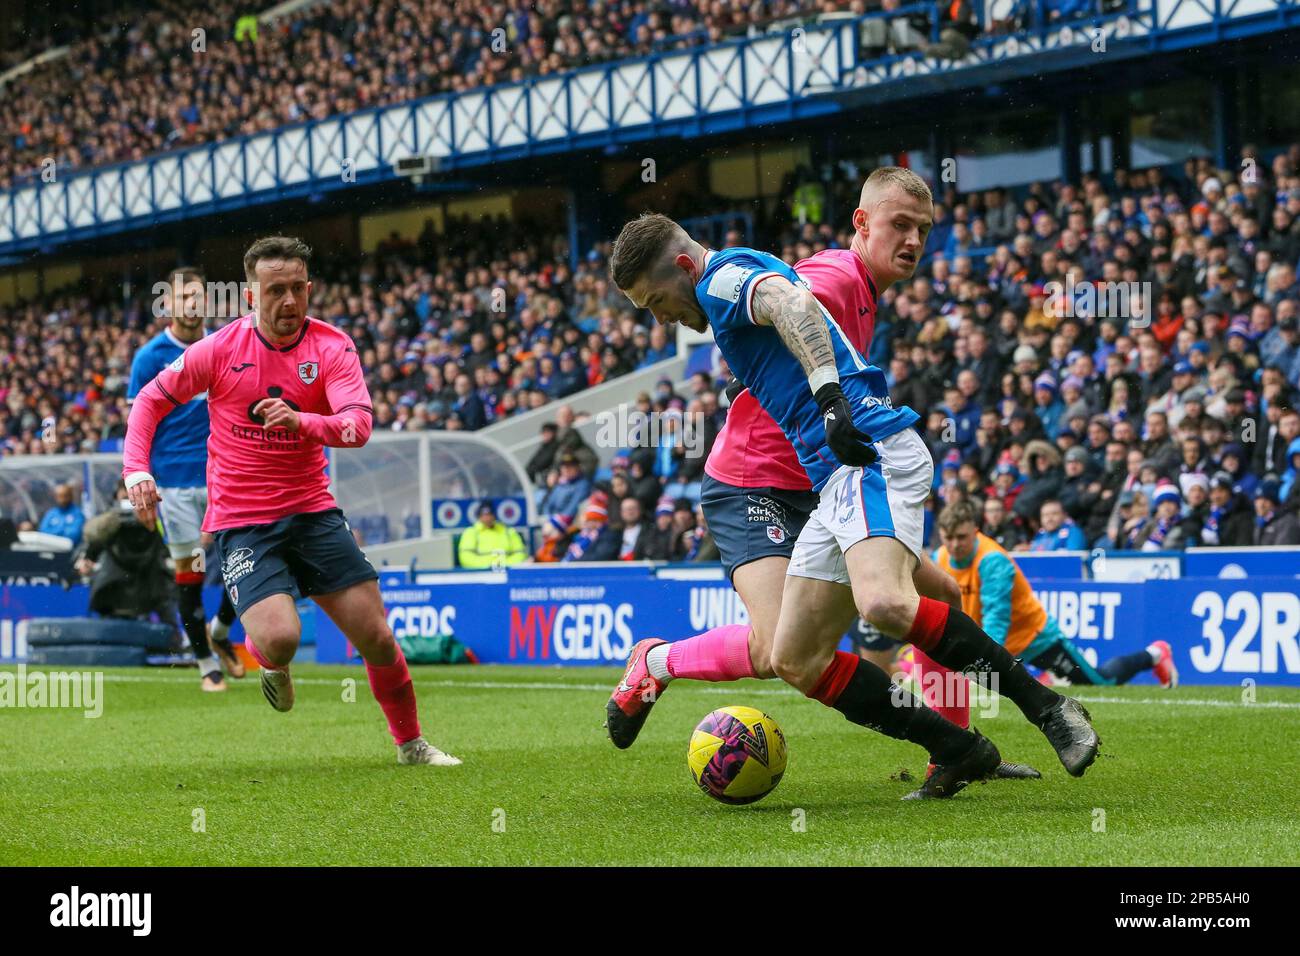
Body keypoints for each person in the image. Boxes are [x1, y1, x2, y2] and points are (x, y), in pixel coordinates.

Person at [607, 202, 1099, 800]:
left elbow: (792, 303)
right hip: (815, 480)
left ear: (683, 266)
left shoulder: (721, 278)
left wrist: (829, 396)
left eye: (654, 302)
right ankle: (958, 748)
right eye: (902, 227)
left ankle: (1049, 709)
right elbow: (787, 305)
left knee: (888, 603)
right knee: (792, 657)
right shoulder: (783, 281)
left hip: (863, 454)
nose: (660, 319)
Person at [123, 236, 459, 766]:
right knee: (280, 639)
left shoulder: (331, 346)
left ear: (309, 288)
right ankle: (267, 660)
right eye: (275, 290)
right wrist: (137, 469)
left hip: (314, 511)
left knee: (375, 635)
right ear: (251, 296)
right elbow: (149, 401)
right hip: (243, 520)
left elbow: (359, 425)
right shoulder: (218, 350)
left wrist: (303, 421)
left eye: (297, 288)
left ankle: (412, 745)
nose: (289, 301)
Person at [128, 266, 242, 691]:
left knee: (244, 566)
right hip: (173, 487)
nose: (192, 305)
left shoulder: (224, 346)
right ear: (169, 304)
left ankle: (220, 630)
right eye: (183, 298)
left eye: (198, 297)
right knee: (190, 572)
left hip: (225, 480)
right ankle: (205, 663)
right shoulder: (150, 358)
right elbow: (138, 423)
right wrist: (138, 483)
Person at [936, 501, 1177, 688]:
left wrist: (982, 662)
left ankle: (1154, 654)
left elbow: (996, 618)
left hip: (1036, 638)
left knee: (1099, 682)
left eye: (962, 537)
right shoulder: (940, 558)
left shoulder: (992, 561)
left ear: (975, 531)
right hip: (998, 644)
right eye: (949, 538)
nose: (955, 545)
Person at [457, 501, 526, 568]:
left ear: (494, 516)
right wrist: (489, 565)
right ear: (479, 517)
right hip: (481, 574)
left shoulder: (509, 532)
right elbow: (466, 558)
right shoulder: (471, 532)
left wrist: (502, 565)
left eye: (490, 514)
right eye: (484, 515)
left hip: (507, 571)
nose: (487, 518)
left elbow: (520, 554)